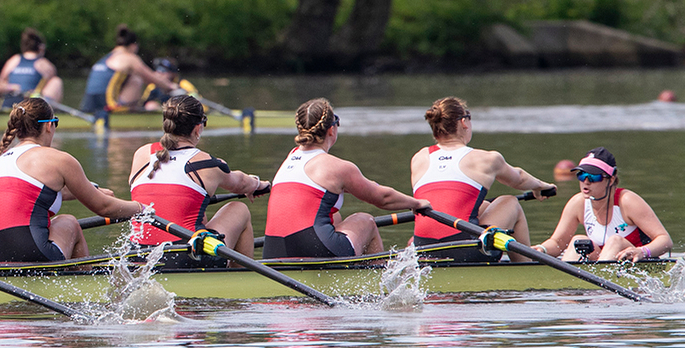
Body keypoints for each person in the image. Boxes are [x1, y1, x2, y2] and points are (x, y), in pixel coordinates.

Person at [0, 97, 143, 263]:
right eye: (56, 122)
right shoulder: (59, 159)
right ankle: (84, 290)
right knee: (69, 222)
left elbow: (33, 194)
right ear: (49, 125)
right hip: (24, 250)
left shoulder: (0, 159)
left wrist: (91, 189)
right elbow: (104, 207)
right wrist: (141, 208)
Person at [263, 98, 428, 259]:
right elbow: (382, 198)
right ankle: (378, 283)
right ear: (331, 130)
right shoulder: (337, 167)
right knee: (366, 221)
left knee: (335, 217)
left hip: (274, 250)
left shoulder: (290, 158)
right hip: (313, 248)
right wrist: (416, 203)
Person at [410, 97, 556, 262]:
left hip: (423, 249)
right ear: (464, 122)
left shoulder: (419, 158)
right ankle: (525, 269)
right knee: (510, 202)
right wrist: (541, 186)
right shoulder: (487, 159)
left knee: (484, 206)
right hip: (466, 251)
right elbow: (519, 179)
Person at [129, 95, 268, 261]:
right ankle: (239, 280)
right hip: (184, 256)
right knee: (239, 209)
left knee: (197, 211)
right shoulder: (208, 164)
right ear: (198, 128)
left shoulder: (141, 154)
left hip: (135, 255)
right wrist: (260, 184)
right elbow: (242, 183)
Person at [535, 147, 671, 262]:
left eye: (594, 177)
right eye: (582, 175)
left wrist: (641, 252)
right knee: (578, 240)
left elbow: (665, 240)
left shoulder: (627, 201)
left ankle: (597, 285)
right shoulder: (578, 203)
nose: (586, 182)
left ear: (611, 180)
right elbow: (557, 243)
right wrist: (542, 249)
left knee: (615, 241)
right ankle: (566, 283)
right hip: (603, 263)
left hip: (637, 265)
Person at [80, 25, 179, 114]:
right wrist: (172, 87)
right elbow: (151, 78)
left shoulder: (104, 58)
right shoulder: (129, 58)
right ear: (133, 46)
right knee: (136, 79)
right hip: (107, 106)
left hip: (88, 105)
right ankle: (131, 113)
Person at [0, 27, 62, 107]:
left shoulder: (13, 60)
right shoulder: (44, 64)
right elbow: (51, 85)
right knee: (56, 81)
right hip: (31, 105)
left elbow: (0, 82)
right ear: (41, 47)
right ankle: (49, 112)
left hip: (9, 102)